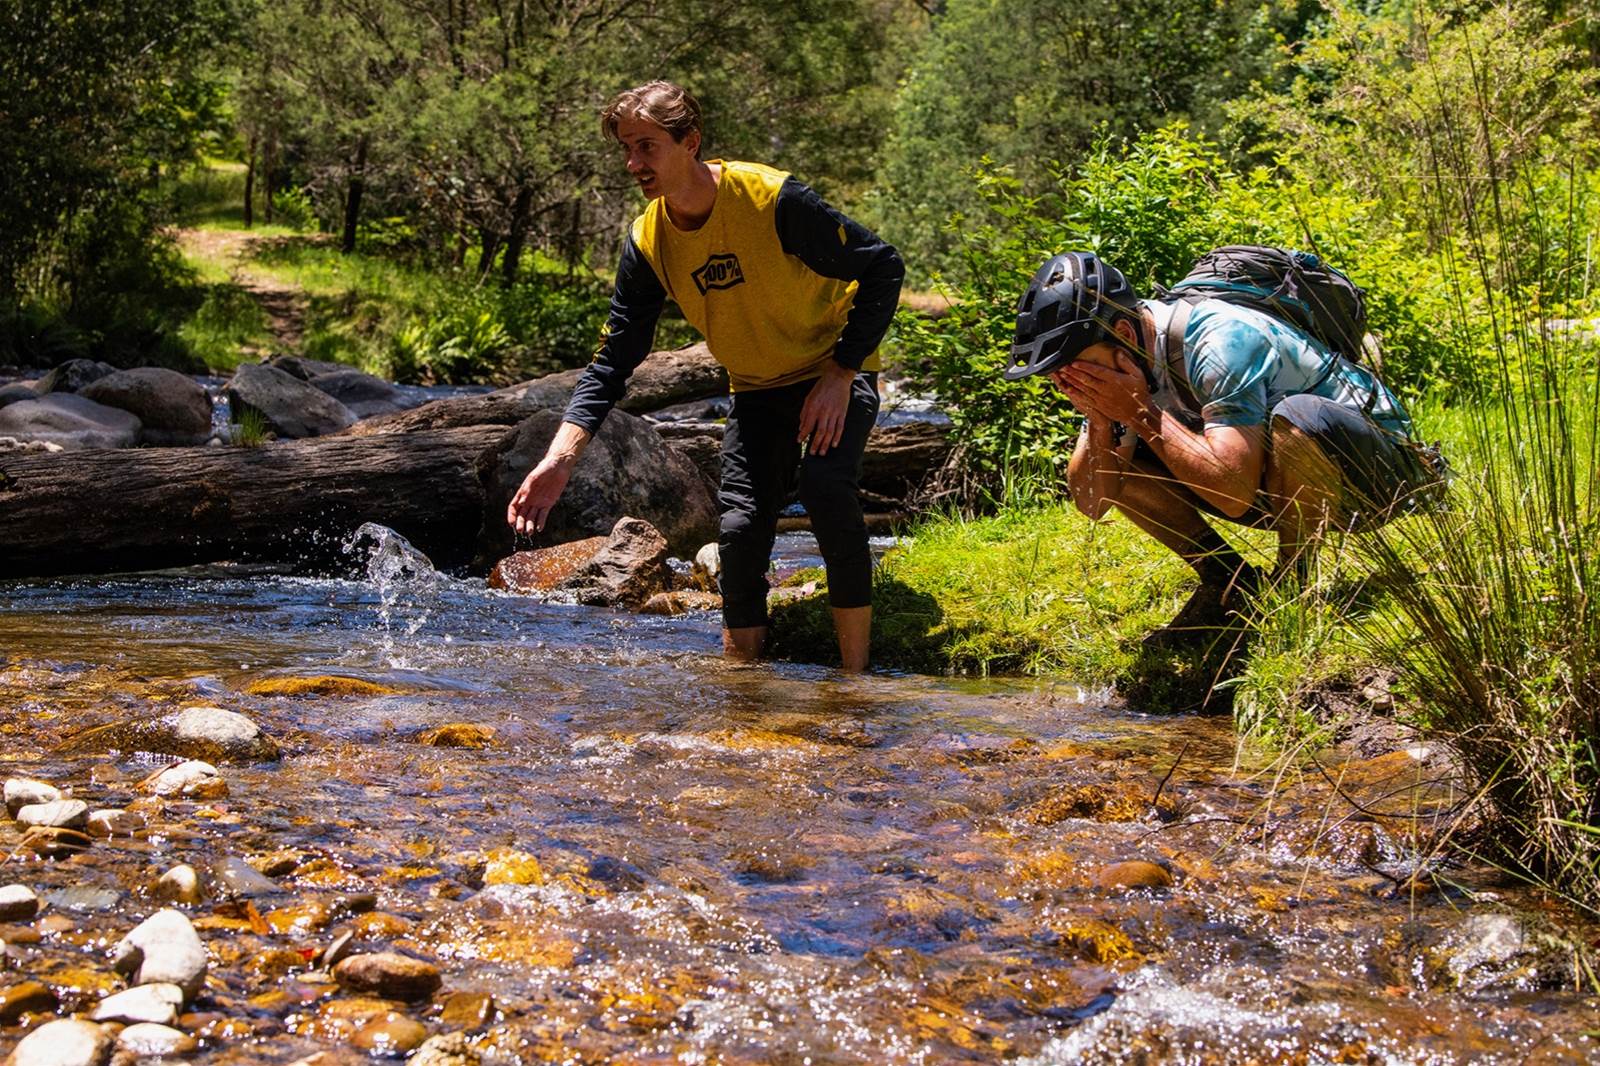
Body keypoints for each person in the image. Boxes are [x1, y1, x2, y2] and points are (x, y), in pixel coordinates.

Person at [506, 81, 904, 672]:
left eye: (646, 147)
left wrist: (843, 371)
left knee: (824, 490)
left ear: (689, 141)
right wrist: (560, 459)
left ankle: (855, 678)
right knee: (741, 531)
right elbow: (613, 361)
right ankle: (742, 688)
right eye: (626, 149)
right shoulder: (648, 241)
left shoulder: (772, 200)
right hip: (756, 386)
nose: (633, 164)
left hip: (831, 370)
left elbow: (883, 268)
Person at [1005, 251, 1441, 646]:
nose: (1069, 383)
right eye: (1058, 376)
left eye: (1075, 369)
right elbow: (1092, 502)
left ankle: (1294, 587)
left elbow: (1232, 496)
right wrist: (1102, 417)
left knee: (1297, 417)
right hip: (1281, 485)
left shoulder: (1219, 339)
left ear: (1123, 333)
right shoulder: (1120, 360)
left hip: (1380, 481)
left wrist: (1138, 412)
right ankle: (1230, 585)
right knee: (1129, 463)